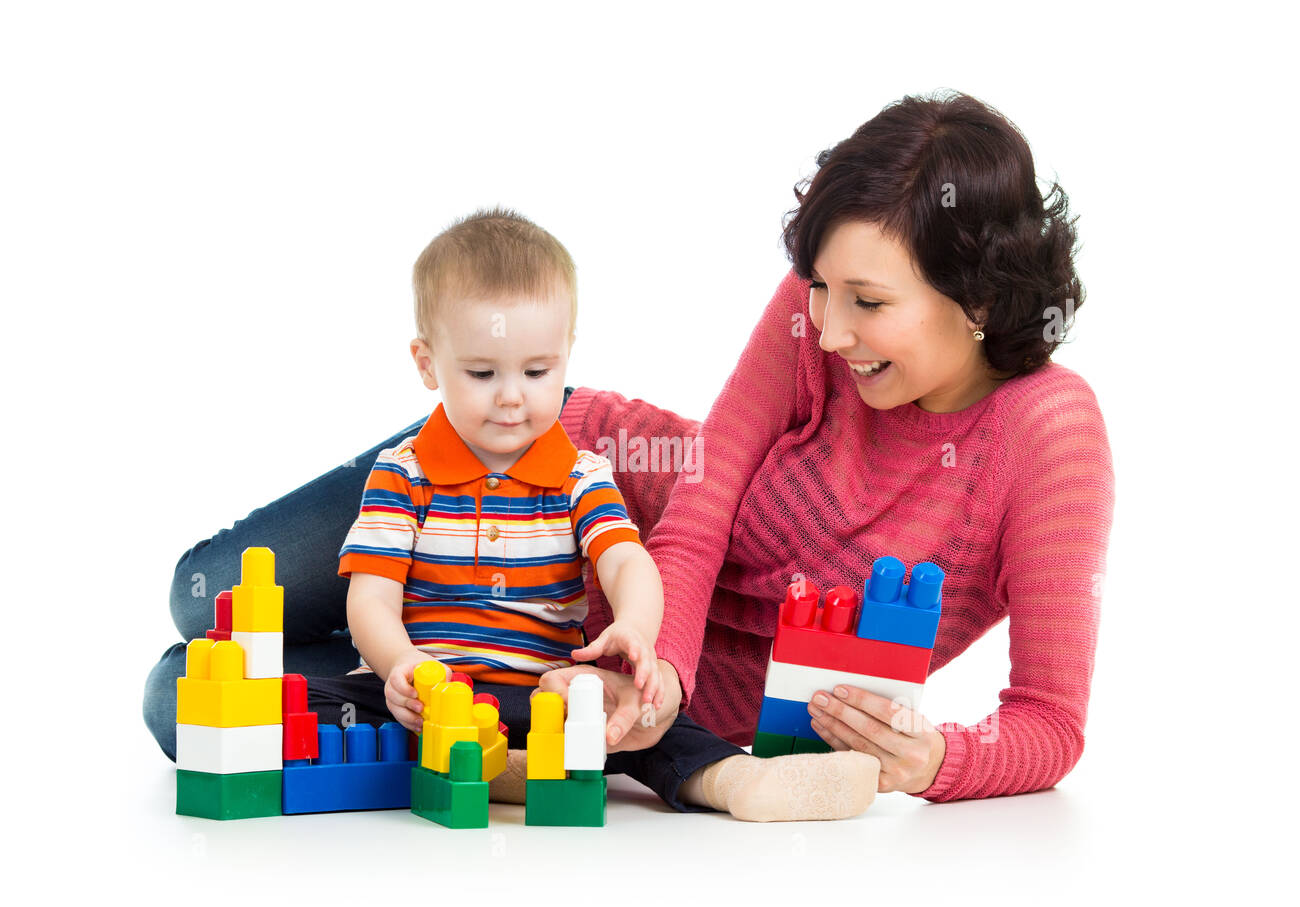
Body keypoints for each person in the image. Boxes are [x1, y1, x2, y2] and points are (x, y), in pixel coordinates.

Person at [145, 88, 1114, 808]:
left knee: (176, 700)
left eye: (867, 303)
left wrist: (939, 759)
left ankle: (482, 742)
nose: (825, 331)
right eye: (819, 289)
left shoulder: (1047, 439)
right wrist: (662, 662)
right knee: (207, 588)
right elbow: (695, 517)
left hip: (594, 673)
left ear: (981, 299)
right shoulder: (811, 321)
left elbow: (1050, 721)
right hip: (535, 456)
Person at [144, 207, 882, 822]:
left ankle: (734, 783)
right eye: (481, 373)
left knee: (636, 720)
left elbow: (626, 559)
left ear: (565, 358)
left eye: (537, 373)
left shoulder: (579, 474)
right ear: (428, 365)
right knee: (221, 706)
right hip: (421, 696)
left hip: (538, 694)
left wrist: (636, 627)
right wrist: (399, 664)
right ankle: (484, 768)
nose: (511, 397)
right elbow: (370, 592)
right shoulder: (404, 473)